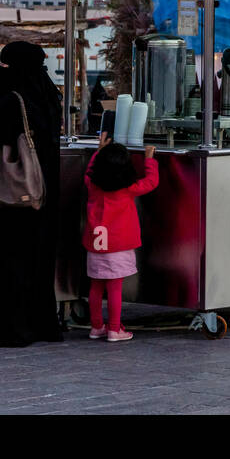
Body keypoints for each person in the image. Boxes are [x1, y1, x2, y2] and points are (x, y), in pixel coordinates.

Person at [0, 41, 64, 347]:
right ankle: (43, 324)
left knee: (14, 260)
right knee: (40, 260)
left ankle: (16, 329)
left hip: (17, 196)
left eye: (4, 66)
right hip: (44, 191)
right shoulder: (48, 95)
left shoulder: (11, 101)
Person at [84, 134, 159, 342]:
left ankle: (96, 326)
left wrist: (98, 152)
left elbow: (89, 173)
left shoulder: (93, 185)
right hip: (118, 245)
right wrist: (150, 159)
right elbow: (151, 182)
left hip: (95, 244)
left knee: (96, 286)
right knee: (115, 287)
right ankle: (115, 329)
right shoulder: (127, 189)